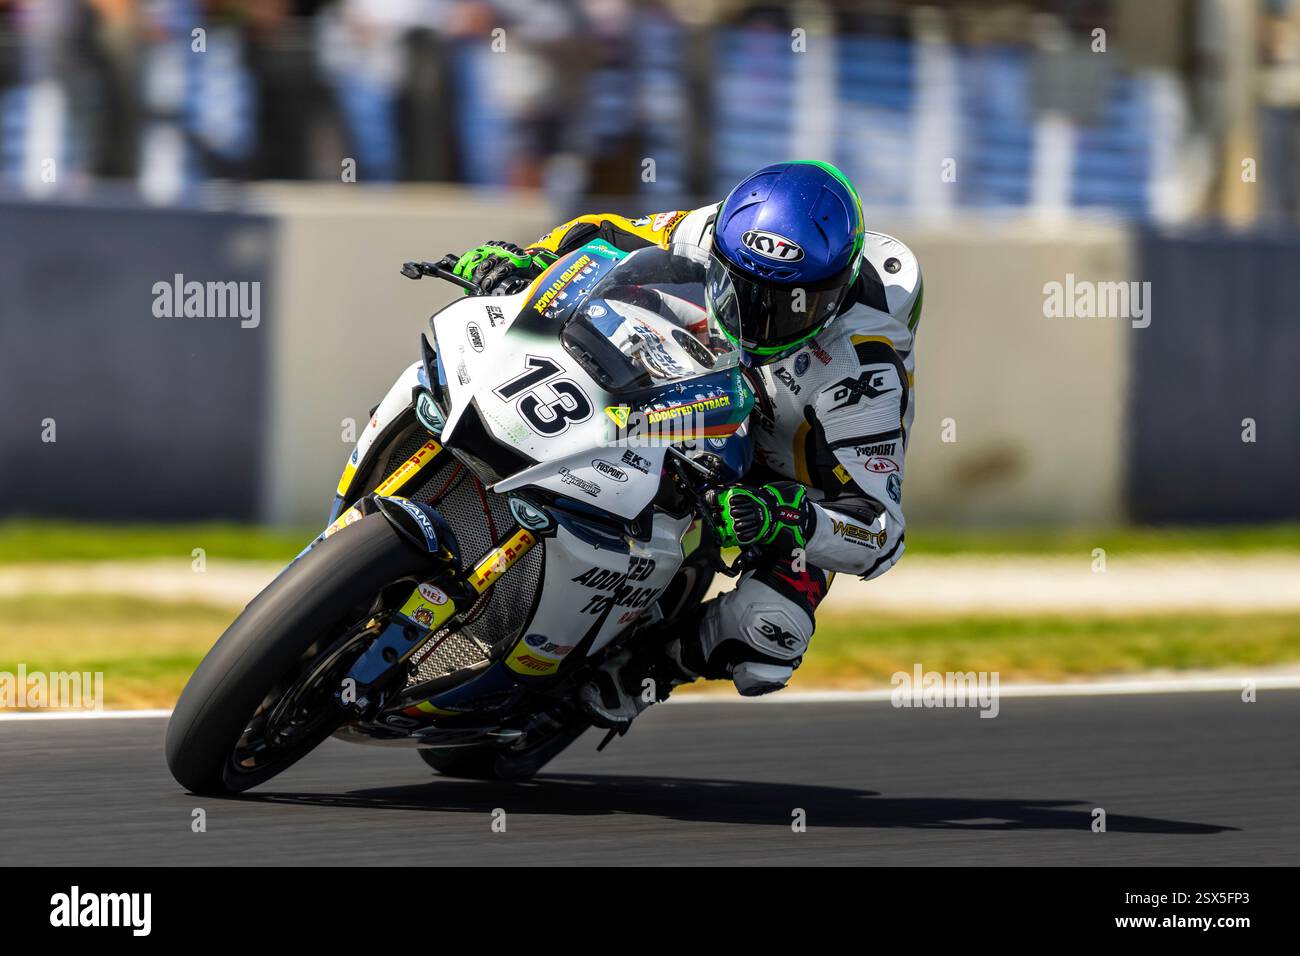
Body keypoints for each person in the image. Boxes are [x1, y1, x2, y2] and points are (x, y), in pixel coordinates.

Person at [451, 161, 922, 727]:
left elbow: (880, 531)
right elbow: (602, 235)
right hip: (697, 380)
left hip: (785, 486)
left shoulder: (865, 373)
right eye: (743, 289)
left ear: (835, 291)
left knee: (768, 633)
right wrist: (527, 260)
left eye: (789, 304)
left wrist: (783, 516)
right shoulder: (715, 230)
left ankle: (655, 668)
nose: (758, 318)